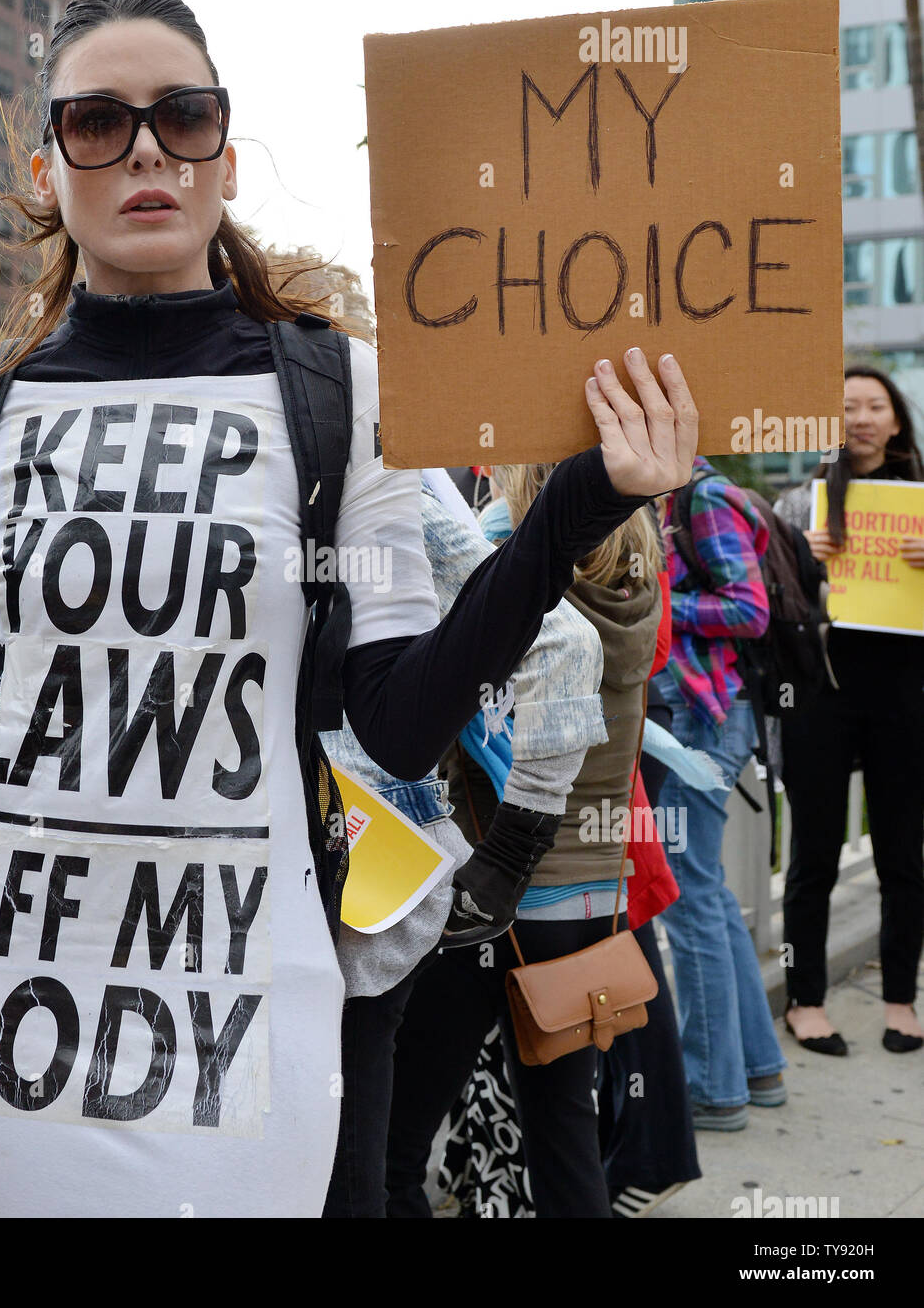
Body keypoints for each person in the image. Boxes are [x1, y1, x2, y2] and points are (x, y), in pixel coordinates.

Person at [0, 0, 697, 1217]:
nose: (147, 150)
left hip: (238, 996)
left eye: (183, 114)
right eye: (98, 124)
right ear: (47, 164)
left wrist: (578, 502)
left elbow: (392, 725)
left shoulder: (339, 389)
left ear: (224, 144)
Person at [321, 472, 608, 1217]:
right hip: (329, 879)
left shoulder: (356, 464)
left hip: (347, 881)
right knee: (363, 1160)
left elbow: (564, 644)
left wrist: (511, 853)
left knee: (355, 1165)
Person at [385, 467, 664, 1218]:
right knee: (564, 1132)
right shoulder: (639, 566)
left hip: (496, 887)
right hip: (592, 889)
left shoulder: (507, 559)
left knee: (392, 1140)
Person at [775, 366, 924, 1055]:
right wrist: (801, 561)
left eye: (874, 406)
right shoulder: (792, 504)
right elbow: (764, 606)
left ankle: (900, 997)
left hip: (903, 695)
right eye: (846, 407)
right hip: (819, 693)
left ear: (895, 420)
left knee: (902, 854)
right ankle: (804, 998)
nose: (860, 418)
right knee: (813, 853)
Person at [653, 457, 787, 1129]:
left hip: (702, 719)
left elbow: (747, 610)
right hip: (700, 718)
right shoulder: (674, 497)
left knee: (684, 887)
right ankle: (755, 1069)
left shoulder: (700, 498)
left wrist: (648, 599)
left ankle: (713, 1089)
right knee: (702, 886)